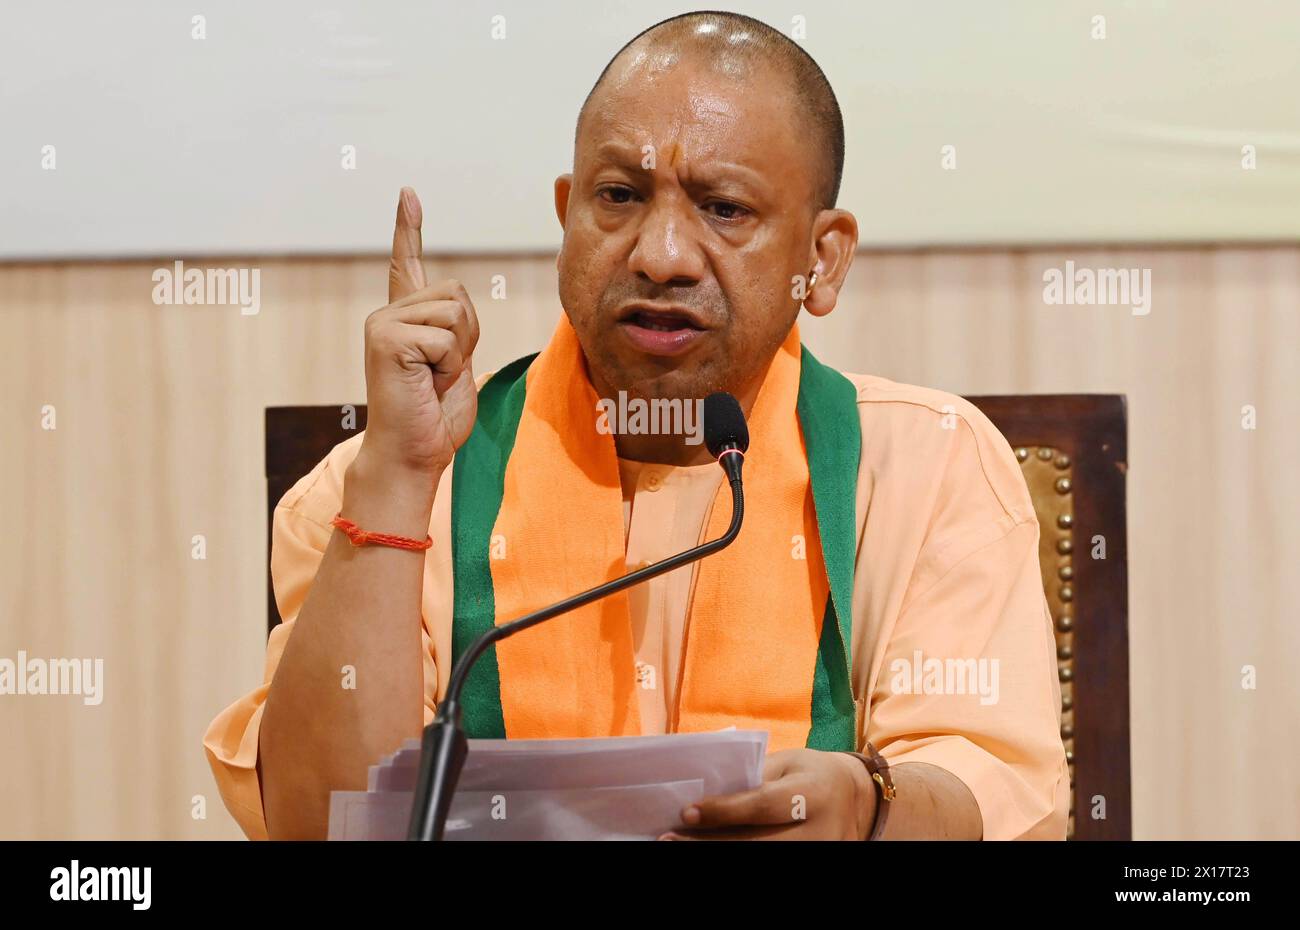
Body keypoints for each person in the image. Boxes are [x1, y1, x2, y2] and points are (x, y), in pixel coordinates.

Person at [205, 10, 1068, 841]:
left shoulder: (924, 467)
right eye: (618, 196)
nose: (661, 256)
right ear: (566, 217)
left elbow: (995, 796)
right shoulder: (393, 483)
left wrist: (865, 808)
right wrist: (397, 477)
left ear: (823, 258)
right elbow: (325, 823)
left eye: (724, 209)